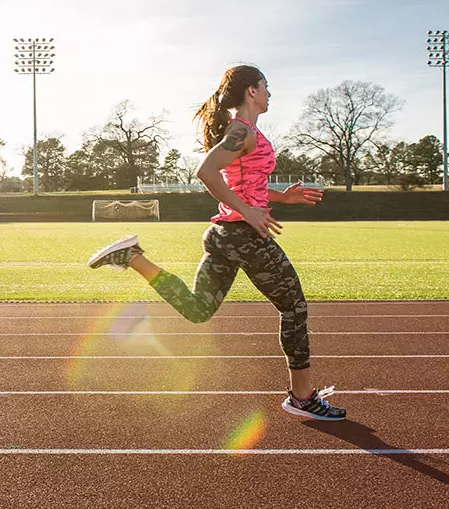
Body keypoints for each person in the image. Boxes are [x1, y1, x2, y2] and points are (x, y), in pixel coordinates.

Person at [87, 64, 346, 421]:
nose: (270, 93)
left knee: (198, 309)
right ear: (251, 91)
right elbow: (206, 172)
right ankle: (302, 398)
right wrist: (251, 213)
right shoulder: (242, 131)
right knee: (295, 307)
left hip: (226, 233)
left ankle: (132, 256)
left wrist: (282, 199)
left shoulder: (246, 131)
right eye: (265, 87)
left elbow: (245, 185)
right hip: (244, 234)